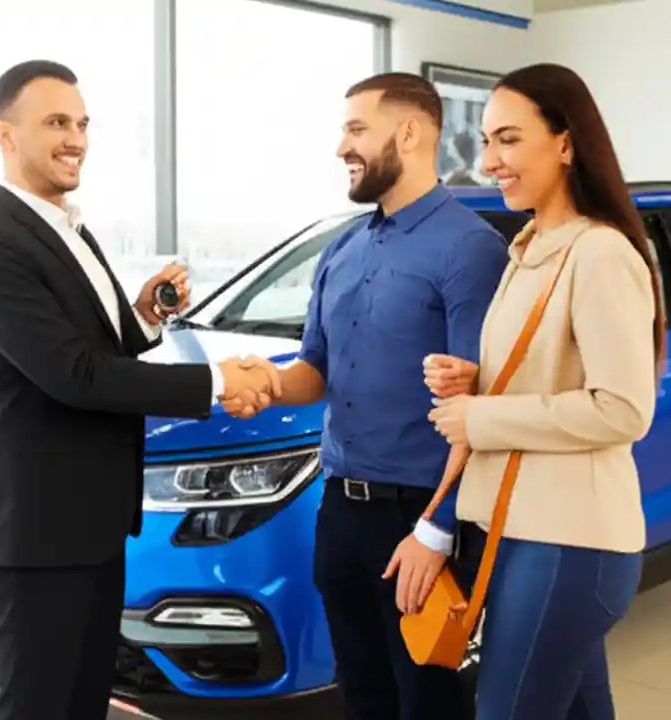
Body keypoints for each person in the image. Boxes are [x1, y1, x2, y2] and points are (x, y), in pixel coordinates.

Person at [0, 59, 280, 720]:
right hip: (38, 534)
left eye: (82, 122)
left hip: (90, 524)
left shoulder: (69, 228)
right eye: (56, 123)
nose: (76, 138)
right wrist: (217, 381)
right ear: (6, 136)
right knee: (41, 705)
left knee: (83, 701)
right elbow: (74, 376)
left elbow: (95, 350)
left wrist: (147, 314)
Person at [227, 72, 508, 719]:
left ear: (407, 133)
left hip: (421, 517)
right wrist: (266, 387)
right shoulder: (343, 248)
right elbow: (314, 370)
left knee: (428, 701)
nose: (341, 147)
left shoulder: (470, 250)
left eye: (356, 128)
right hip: (340, 512)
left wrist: (438, 526)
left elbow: (485, 410)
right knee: (363, 695)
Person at [424, 63, 666, 720]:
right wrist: (476, 381)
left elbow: (623, 407)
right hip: (530, 534)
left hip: (567, 543)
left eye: (508, 139)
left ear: (565, 142)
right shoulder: (533, 244)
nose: (489, 161)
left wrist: (483, 418)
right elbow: (556, 375)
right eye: (486, 142)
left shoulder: (599, 253)